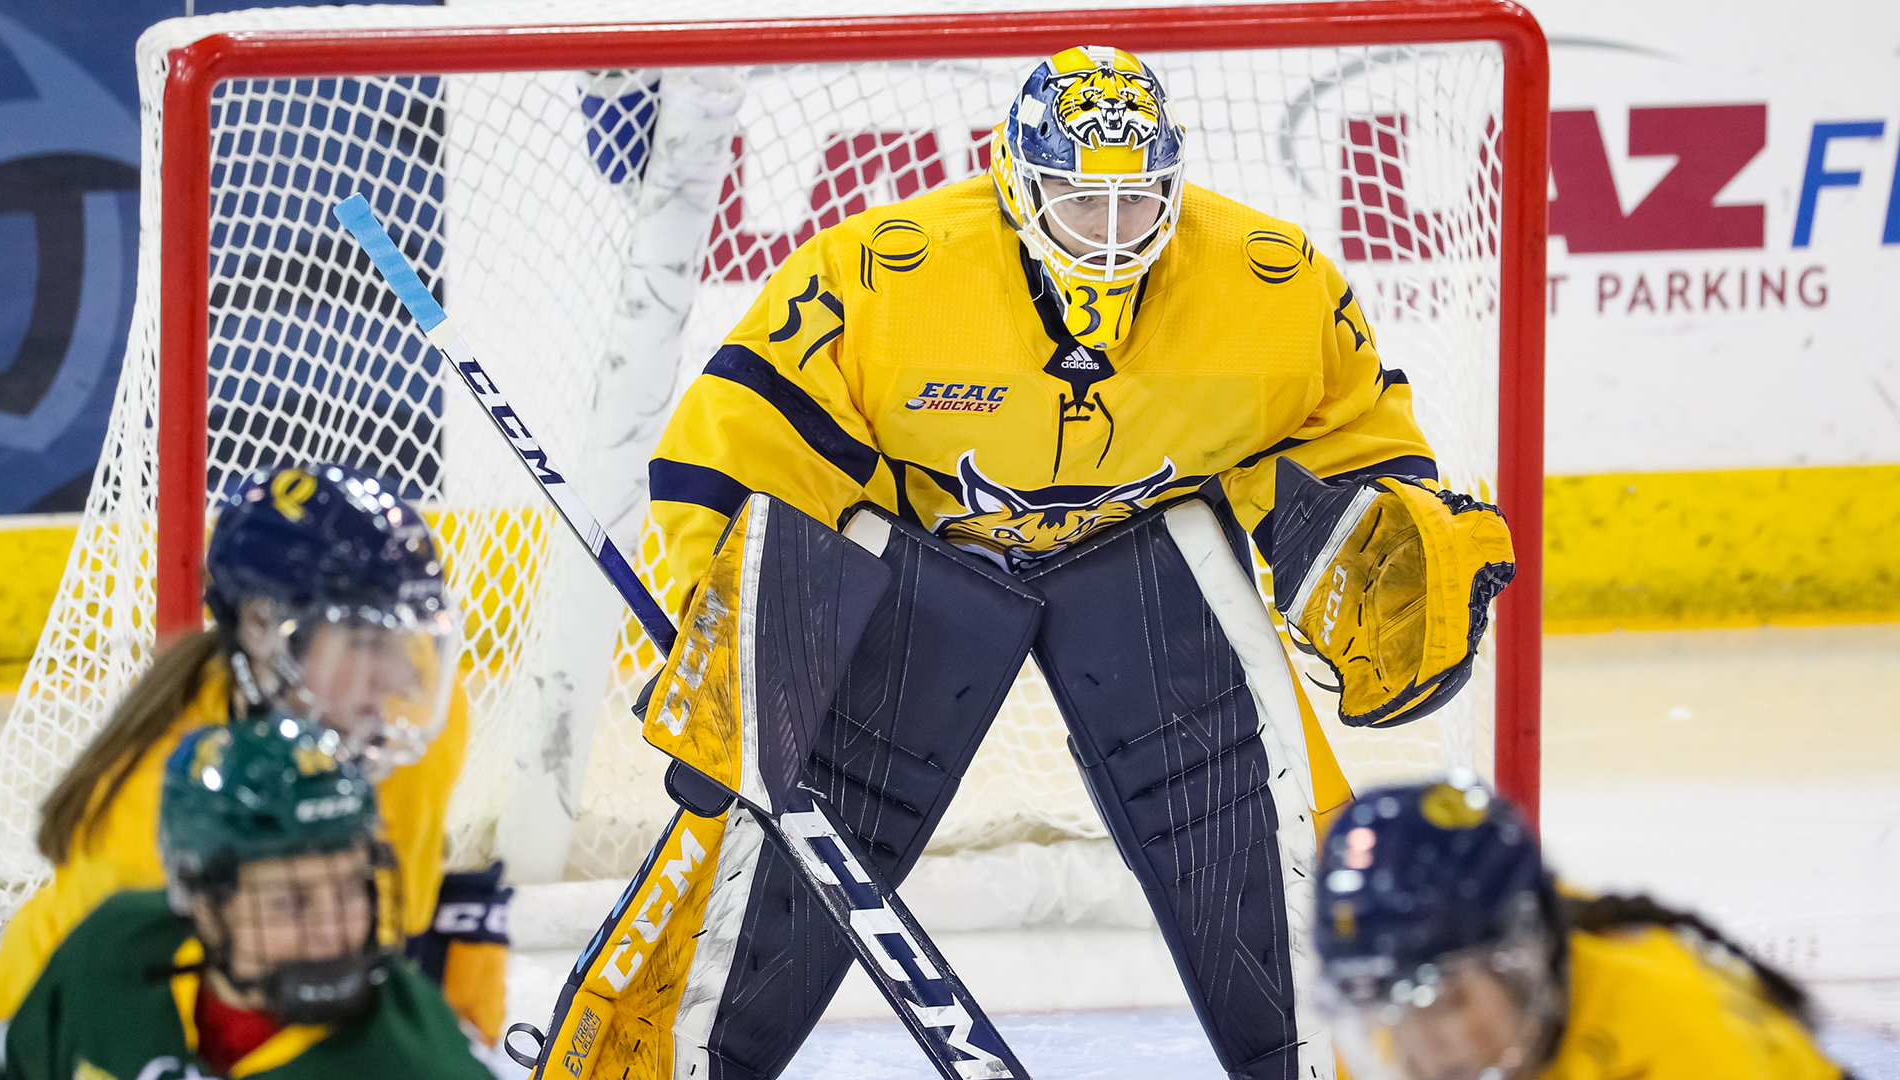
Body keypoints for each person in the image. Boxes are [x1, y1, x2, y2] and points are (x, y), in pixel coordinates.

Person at [544, 45, 1514, 1080]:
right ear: (1017, 181)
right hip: (916, 572)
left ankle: (1343, 1062)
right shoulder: (887, 275)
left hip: (1152, 577)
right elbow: (745, 445)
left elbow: (1355, 438)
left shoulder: (1270, 285)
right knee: (758, 835)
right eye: (1080, 199)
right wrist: (725, 643)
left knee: (1258, 828)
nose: (1111, 231)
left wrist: (1396, 547)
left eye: (1137, 200)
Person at [0, 463, 508, 1046]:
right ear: (261, 626)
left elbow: (384, 939)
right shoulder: (155, 814)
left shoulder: (404, 718)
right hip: (48, 1029)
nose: (400, 677)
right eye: (364, 641)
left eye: (406, 639)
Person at [0, 715, 495, 1079]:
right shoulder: (118, 953)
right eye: (290, 903)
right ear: (204, 903)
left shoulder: (417, 1059)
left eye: (349, 890)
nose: (332, 930)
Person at [1312, 777, 1847, 1080]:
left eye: (1443, 999)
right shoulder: (1520, 971)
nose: (1421, 1049)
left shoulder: (1674, 1047)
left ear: (1522, 959)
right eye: (1378, 1006)